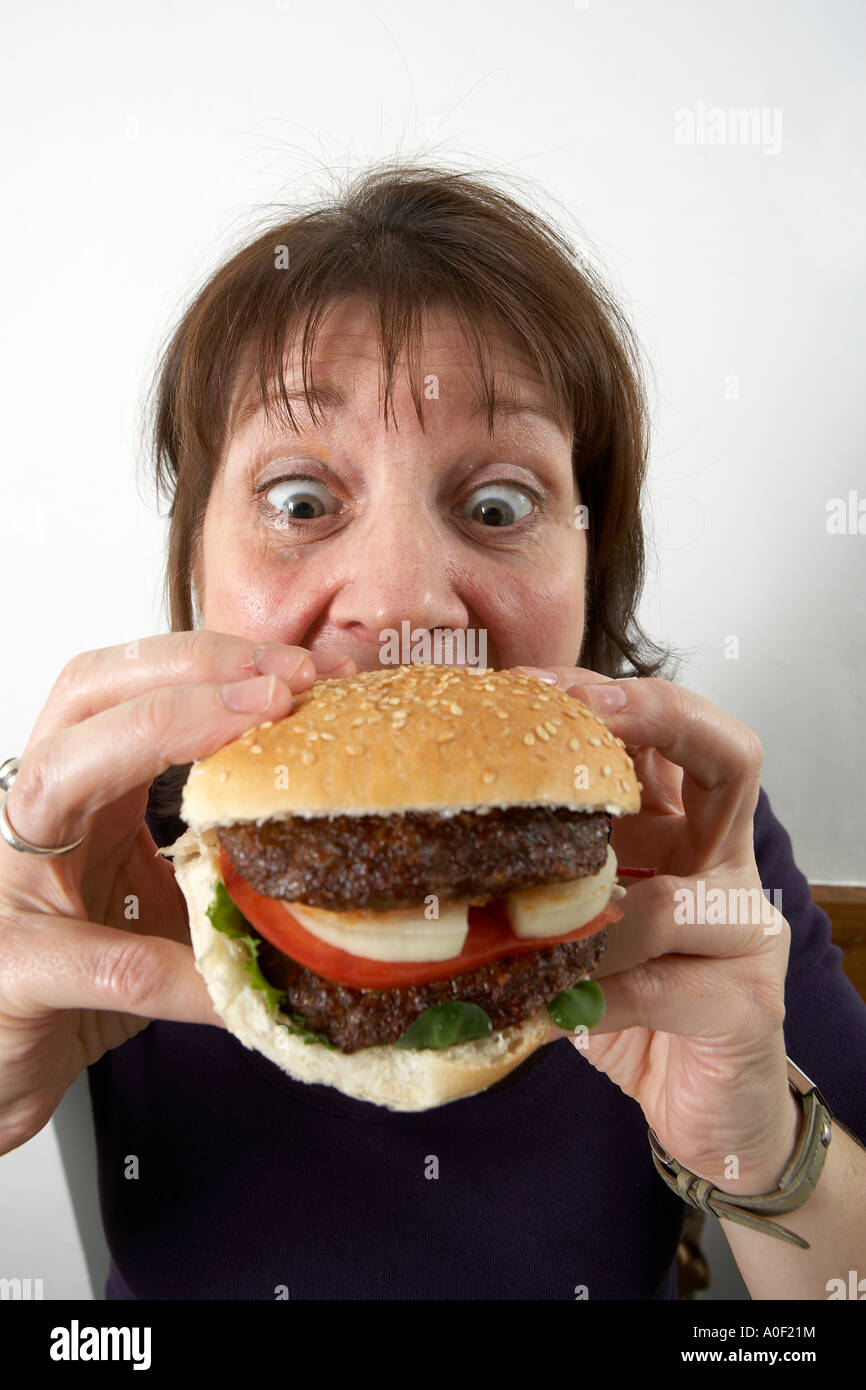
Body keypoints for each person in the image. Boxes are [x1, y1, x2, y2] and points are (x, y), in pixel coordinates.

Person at [1, 163, 864, 1301]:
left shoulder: (692, 853)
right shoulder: (84, 854)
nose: (405, 601)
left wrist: (757, 1143)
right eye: (300, 500)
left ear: (589, 571)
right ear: (192, 562)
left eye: (498, 504)